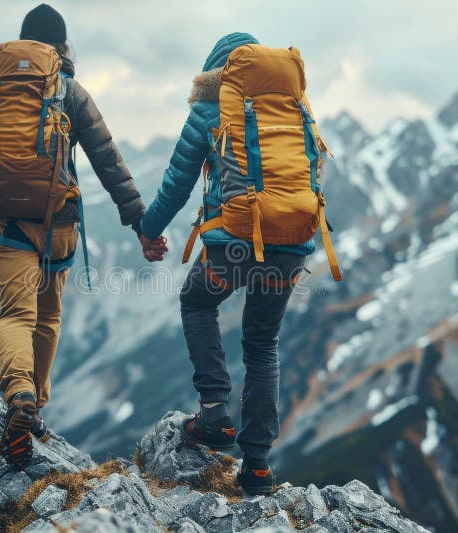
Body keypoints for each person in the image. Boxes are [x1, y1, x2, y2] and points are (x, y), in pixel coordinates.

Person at [0, 3, 166, 466]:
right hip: (59, 225)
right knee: (47, 318)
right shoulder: (69, 93)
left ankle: (19, 396)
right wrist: (141, 226)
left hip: (7, 226)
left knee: (15, 315)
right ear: (62, 46)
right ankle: (33, 411)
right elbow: (108, 161)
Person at [139, 33, 331, 495]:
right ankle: (259, 466)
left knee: (197, 302)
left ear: (214, 74)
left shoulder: (210, 109)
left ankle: (213, 413)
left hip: (234, 247)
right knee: (263, 341)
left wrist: (148, 229)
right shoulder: (292, 107)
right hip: (289, 246)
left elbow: (176, 182)